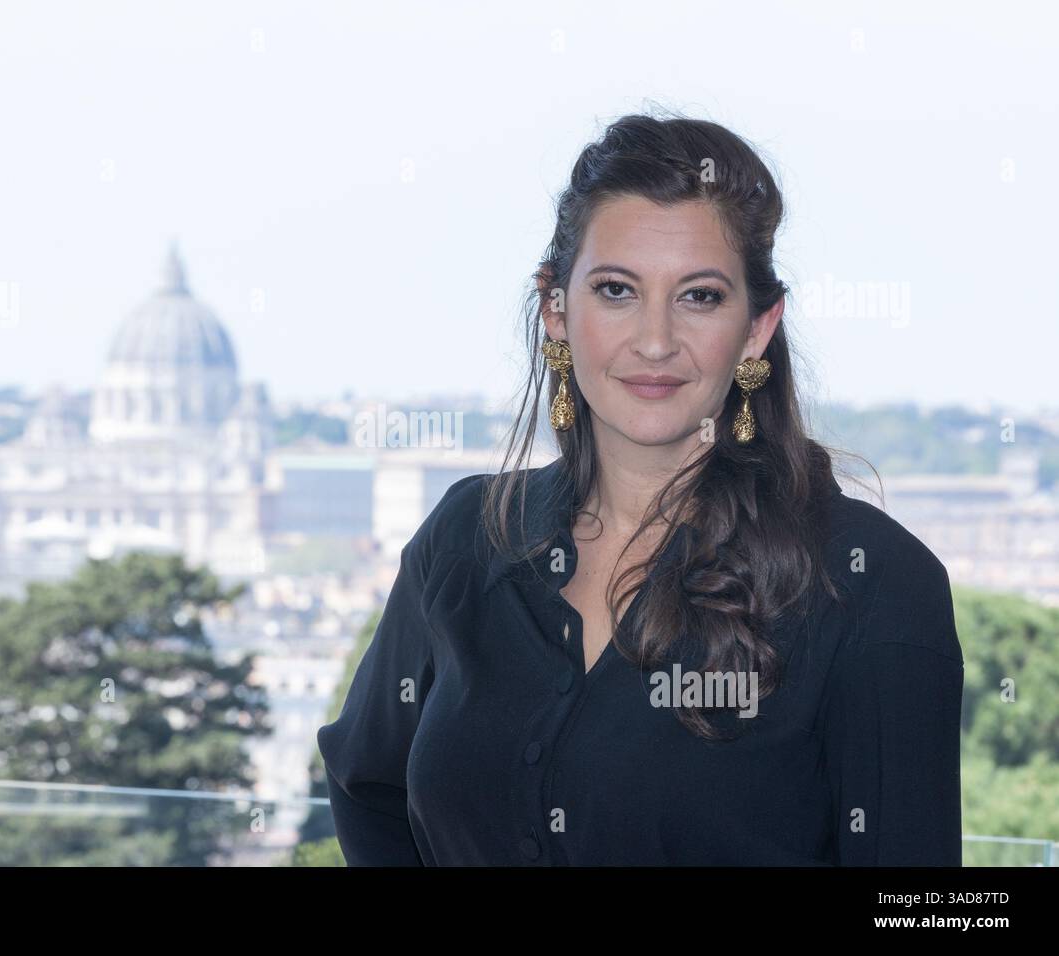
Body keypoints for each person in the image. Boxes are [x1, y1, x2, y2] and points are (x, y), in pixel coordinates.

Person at [316, 110, 964, 866]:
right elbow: (367, 788)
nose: (655, 341)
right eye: (617, 290)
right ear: (557, 309)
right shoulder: (466, 538)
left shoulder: (873, 584)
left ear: (757, 327)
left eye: (700, 297)